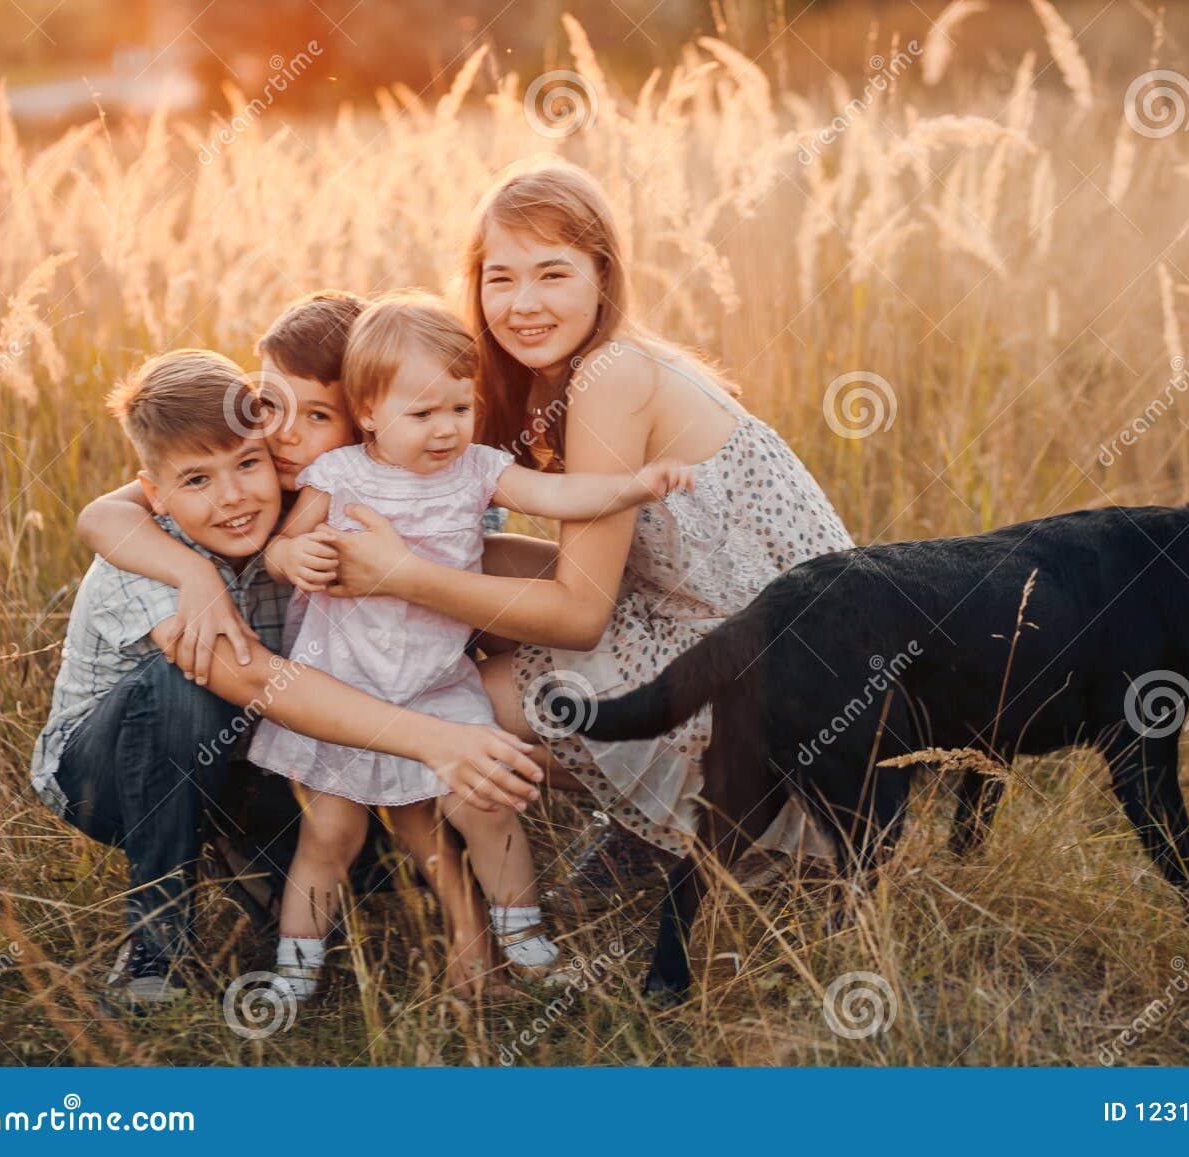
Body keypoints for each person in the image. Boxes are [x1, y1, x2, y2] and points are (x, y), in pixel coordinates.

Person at [323, 160, 854, 896]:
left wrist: (400, 575)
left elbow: (578, 614)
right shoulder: (536, 376)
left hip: (788, 683)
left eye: (553, 274)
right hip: (694, 618)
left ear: (603, 275)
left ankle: (686, 829)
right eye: (500, 277)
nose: (524, 303)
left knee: (468, 706)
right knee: (462, 578)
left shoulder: (612, 375)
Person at [31, 349, 543, 1007]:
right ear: (155, 494)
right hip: (105, 780)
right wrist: (436, 740)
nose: (233, 497)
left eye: (248, 463)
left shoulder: (307, 521)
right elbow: (252, 681)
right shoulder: (140, 563)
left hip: (257, 762)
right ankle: (154, 952)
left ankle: (260, 862)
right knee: (184, 683)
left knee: (369, 785)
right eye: (197, 481)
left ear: (272, 456)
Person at [251, 291, 693, 993]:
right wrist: (289, 560)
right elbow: (283, 547)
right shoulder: (338, 476)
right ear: (368, 413)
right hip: (343, 686)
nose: (445, 429)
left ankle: (522, 931)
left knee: (486, 803)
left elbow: (561, 498)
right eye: (421, 414)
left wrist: (634, 486)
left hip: (438, 681)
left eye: (460, 407)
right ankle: (294, 967)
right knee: (332, 834)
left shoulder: (479, 468)